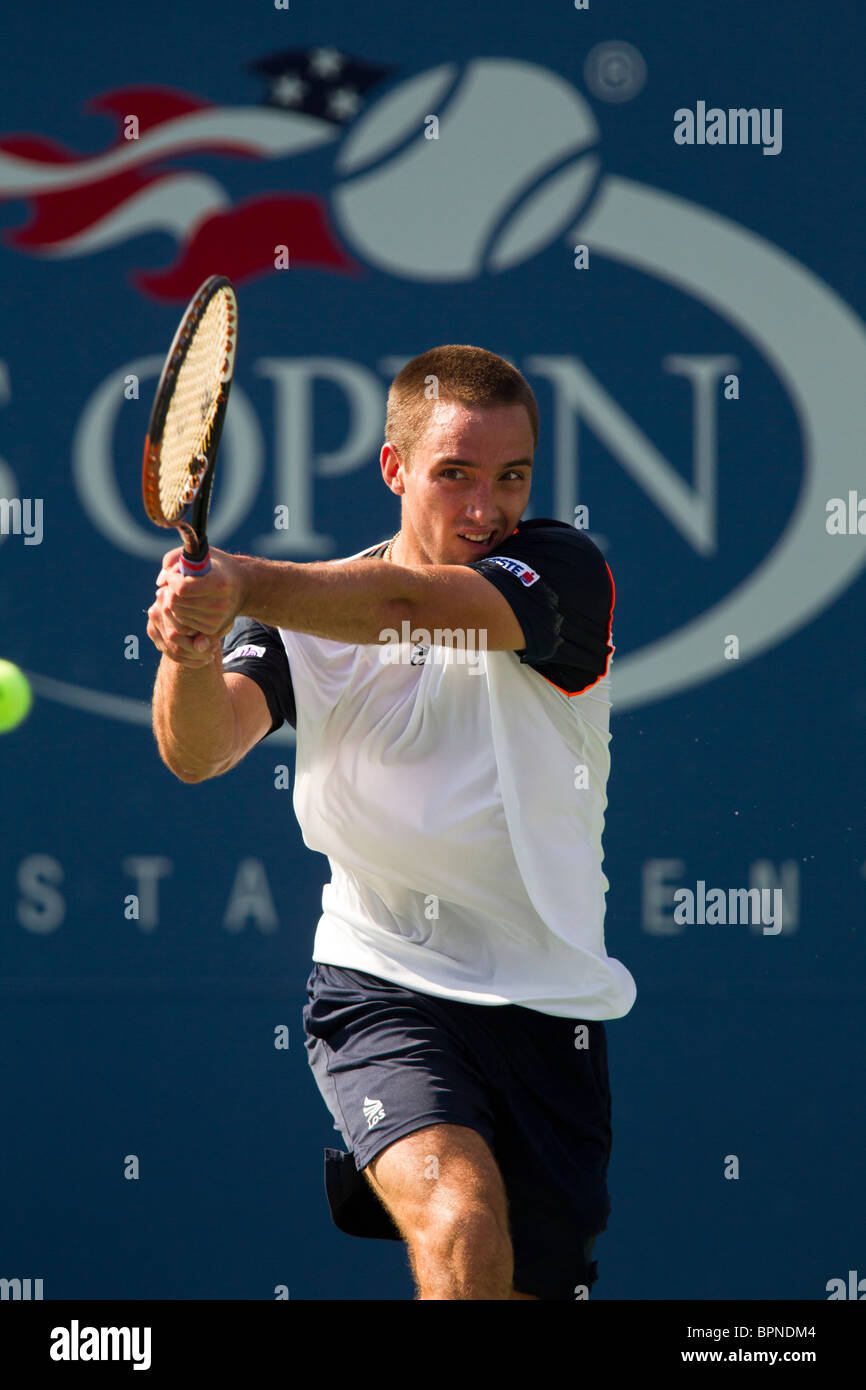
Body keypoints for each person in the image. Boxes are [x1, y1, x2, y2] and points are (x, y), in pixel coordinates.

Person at [147, 344, 636, 1301]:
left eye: (511, 477)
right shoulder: (304, 620)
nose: (486, 507)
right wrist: (193, 647)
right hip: (383, 986)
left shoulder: (562, 573)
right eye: (455, 474)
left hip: (553, 1013)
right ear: (395, 468)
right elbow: (199, 750)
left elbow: (409, 606)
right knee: (459, 1218)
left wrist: (235, 582)